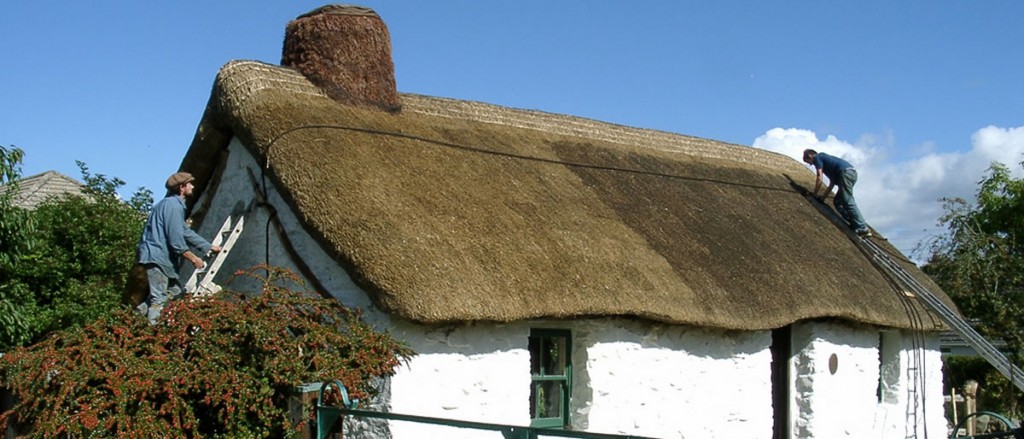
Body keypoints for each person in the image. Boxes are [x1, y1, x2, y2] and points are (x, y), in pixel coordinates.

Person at [135, 172, 221, 324]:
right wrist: (193, 259)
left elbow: (184, 231)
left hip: (157, 255)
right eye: (190, 184)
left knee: (174, 290)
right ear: (182, 187)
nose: (192, 186)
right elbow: (175, 240)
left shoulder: (169, 204)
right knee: (159, 299)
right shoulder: (173, 206)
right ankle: (151, 332)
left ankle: (135, 316)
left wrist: (207, 246)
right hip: (157, 256)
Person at [802, 149, 872, 237]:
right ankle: (854, 223)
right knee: (838, 202)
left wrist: (814, 194)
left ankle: (862, 228)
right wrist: (823, 198)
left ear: (810, 156)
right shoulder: (830, 166)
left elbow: (819, 177)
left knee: (848, 201)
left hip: (846, 173)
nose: (812, 164)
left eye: (810, 162)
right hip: (850, 173)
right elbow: (831, 184)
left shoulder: (817, 157)